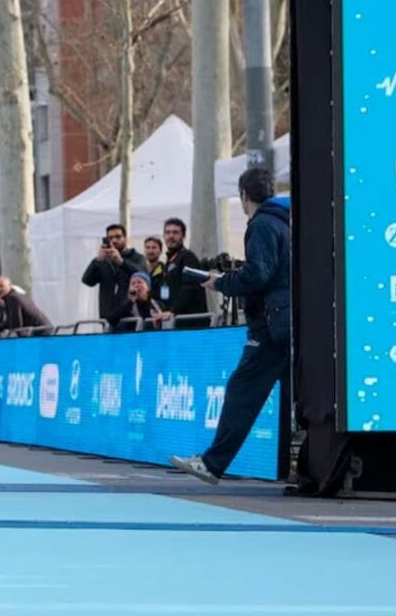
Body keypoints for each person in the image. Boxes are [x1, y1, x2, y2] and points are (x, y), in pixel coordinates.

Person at [169, 168, 290, 483]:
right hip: (289, 321)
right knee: (295, 398)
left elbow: (258, 275)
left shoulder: (262, 224)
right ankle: (301, 469)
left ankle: (212, 463)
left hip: (270, 325)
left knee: (242, 390)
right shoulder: (285, 221)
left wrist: (220, 282)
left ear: (243, 195)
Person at [82, 224, 147, 323]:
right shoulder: (103, 260)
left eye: (118, 237)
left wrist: (121, 262)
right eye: (110, 238)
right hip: (108, 318)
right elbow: (87, 280)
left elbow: (143, 276)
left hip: (130, 316)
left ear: (125, 238)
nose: (114, 240)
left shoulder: (137, 258)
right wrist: (97, 261)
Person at [159, 218, 210, 325]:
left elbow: (190, 288)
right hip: (177, 321)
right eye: (167, 232)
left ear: (183, 236)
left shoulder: (188, 257)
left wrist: (173, 311)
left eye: (175, 232)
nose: (171, 236)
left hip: (192, 322)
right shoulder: (169, 260)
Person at [107, 271, 172, 331]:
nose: (136, 285)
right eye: (133, 283)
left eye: (139, 282)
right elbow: (111, 319)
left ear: (148, 288)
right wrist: (130, 301)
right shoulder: (126, 306)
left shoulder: (158, 305)